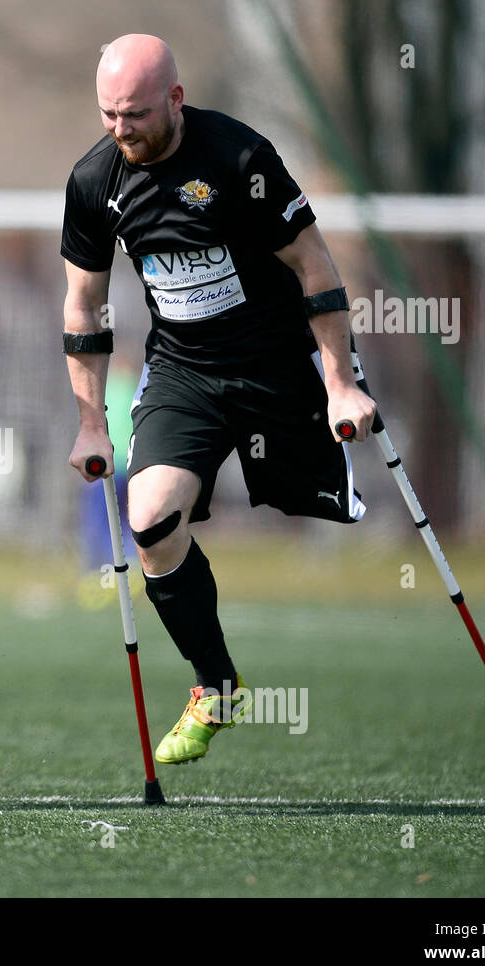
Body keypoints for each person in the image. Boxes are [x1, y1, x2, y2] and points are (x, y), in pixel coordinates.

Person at [62, 35, 378, 765]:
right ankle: (216, 683)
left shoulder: (239, 158)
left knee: (333, 509)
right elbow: (84, 304)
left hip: (276, 368)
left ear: (175, 99)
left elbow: (314, 264)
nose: (120, 129)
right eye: (108, 114)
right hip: (184, 374)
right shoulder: (94, 180)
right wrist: (89, 423)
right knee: (149, 521)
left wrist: (340, 381)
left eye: (136, 113)